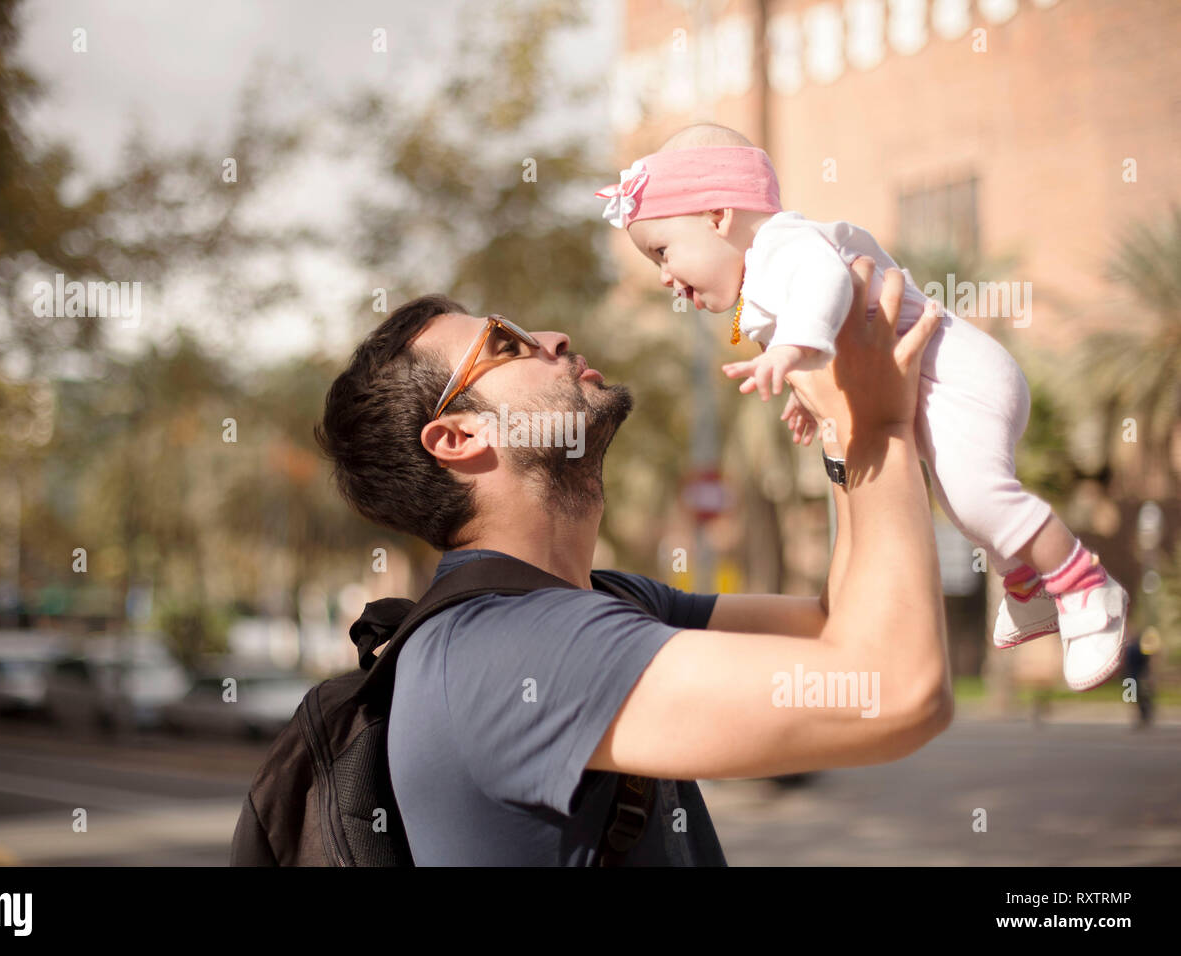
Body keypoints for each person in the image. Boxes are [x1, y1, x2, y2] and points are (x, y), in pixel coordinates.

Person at [312, 257, 949, 865]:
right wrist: (880, 427)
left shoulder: (606, 600)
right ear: (458, 438)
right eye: (505, 345)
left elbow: (841, 626)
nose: (554, 338)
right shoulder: (505, 648)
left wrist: (841, 432)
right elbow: (897, 692)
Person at [596, 121, 1127, 692]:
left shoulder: (784, 245)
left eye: (662, 252)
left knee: (977, 499)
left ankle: (1087, 587)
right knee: (960, 499)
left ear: (718, 217)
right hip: (938, 386)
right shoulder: (763, 278)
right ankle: (1027, 590)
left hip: (959, 375)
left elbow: (828, 283)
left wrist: (797, 349)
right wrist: (806, 389)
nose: (665, 278)